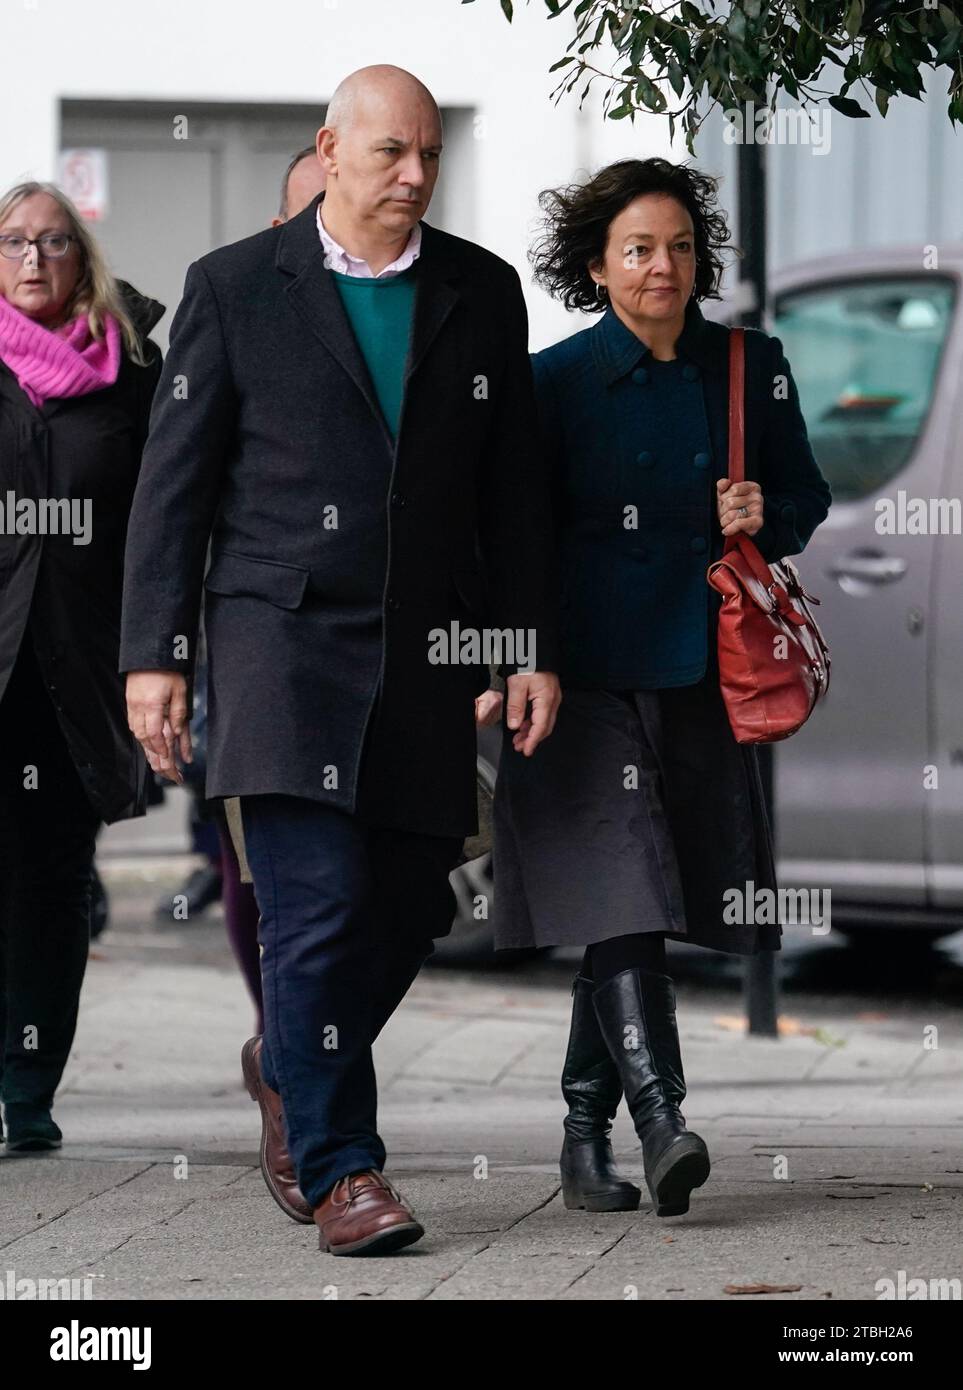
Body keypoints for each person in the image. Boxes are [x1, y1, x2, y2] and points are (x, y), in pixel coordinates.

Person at [120, 65, 561, 1256]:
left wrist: (524, 641)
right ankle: (345, 1171)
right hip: (279, 646)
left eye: (428, 155)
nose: (414, 175)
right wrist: (154, 659)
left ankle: (285, 1056)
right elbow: (172, 490)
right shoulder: (233, 290)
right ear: (331, 149)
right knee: (312, 910)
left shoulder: (480, 289)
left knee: (416, 897)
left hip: (426, 655)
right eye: (389, 155)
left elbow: (510, 492)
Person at [492, 158, 832, 1219]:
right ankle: (661, 1120)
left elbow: (807, 500)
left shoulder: (749, 366)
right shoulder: (548, 383)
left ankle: (582, 1135)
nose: (663, 267)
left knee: (628, 902)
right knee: (625, 891)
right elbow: (511, 538)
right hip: (579, 680)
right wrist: (514, 655)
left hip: (699, 674)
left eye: (680, 247)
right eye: (639, 249)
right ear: (596, 264)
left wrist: (758, 511)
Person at [0, 181, 163, 1150]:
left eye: (54, 242)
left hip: (76, 669)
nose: (33, 259)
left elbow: (165, 521)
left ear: (82, 257)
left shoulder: (135, 371)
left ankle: (26, 1093)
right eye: (15, 241)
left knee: (53, 881)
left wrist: (163, 650)